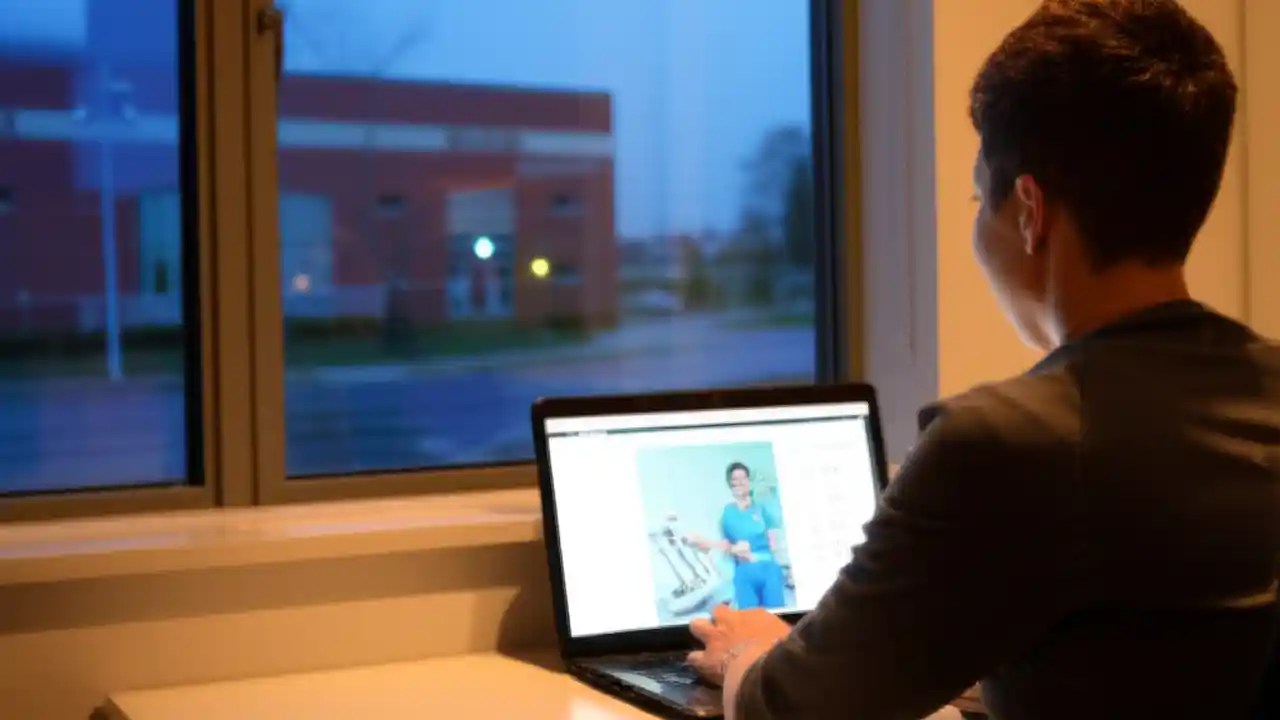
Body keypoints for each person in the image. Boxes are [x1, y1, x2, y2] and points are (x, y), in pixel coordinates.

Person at [684, 2, 1280, 719]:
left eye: (977, 198)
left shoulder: (1009, 442)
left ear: (1029, 211)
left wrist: (750, 655)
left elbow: (796, 707)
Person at [687, 462, 788, 610]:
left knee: (776, 616)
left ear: (749, 481)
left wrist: (761, 557)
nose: (740, 482)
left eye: (743, 478)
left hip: (768, 570)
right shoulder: (727, 514)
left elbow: (774, 541)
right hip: (744, 572)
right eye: (735, 479)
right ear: (730, 483)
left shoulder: (761, 508)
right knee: (749, 621)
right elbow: (725, 546)